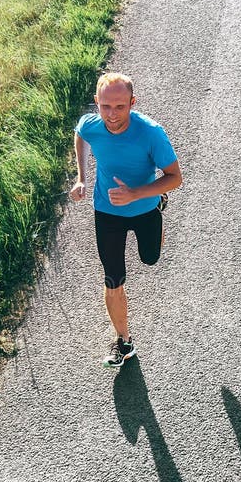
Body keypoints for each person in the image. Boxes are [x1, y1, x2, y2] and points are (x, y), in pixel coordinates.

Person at [70, 72, 183, 367]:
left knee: (150, 259)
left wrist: (136, 194)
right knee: (113, 278)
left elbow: (175, 177)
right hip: (107, 212)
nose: (112, 114)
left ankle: (159, 206)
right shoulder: (91, 125)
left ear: (132, 102)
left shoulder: (151, 133)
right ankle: (124, 341)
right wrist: (82, 178)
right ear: (97, 103)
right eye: (105, 106)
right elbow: (80, 135)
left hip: (144, 207)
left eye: (120, 107)